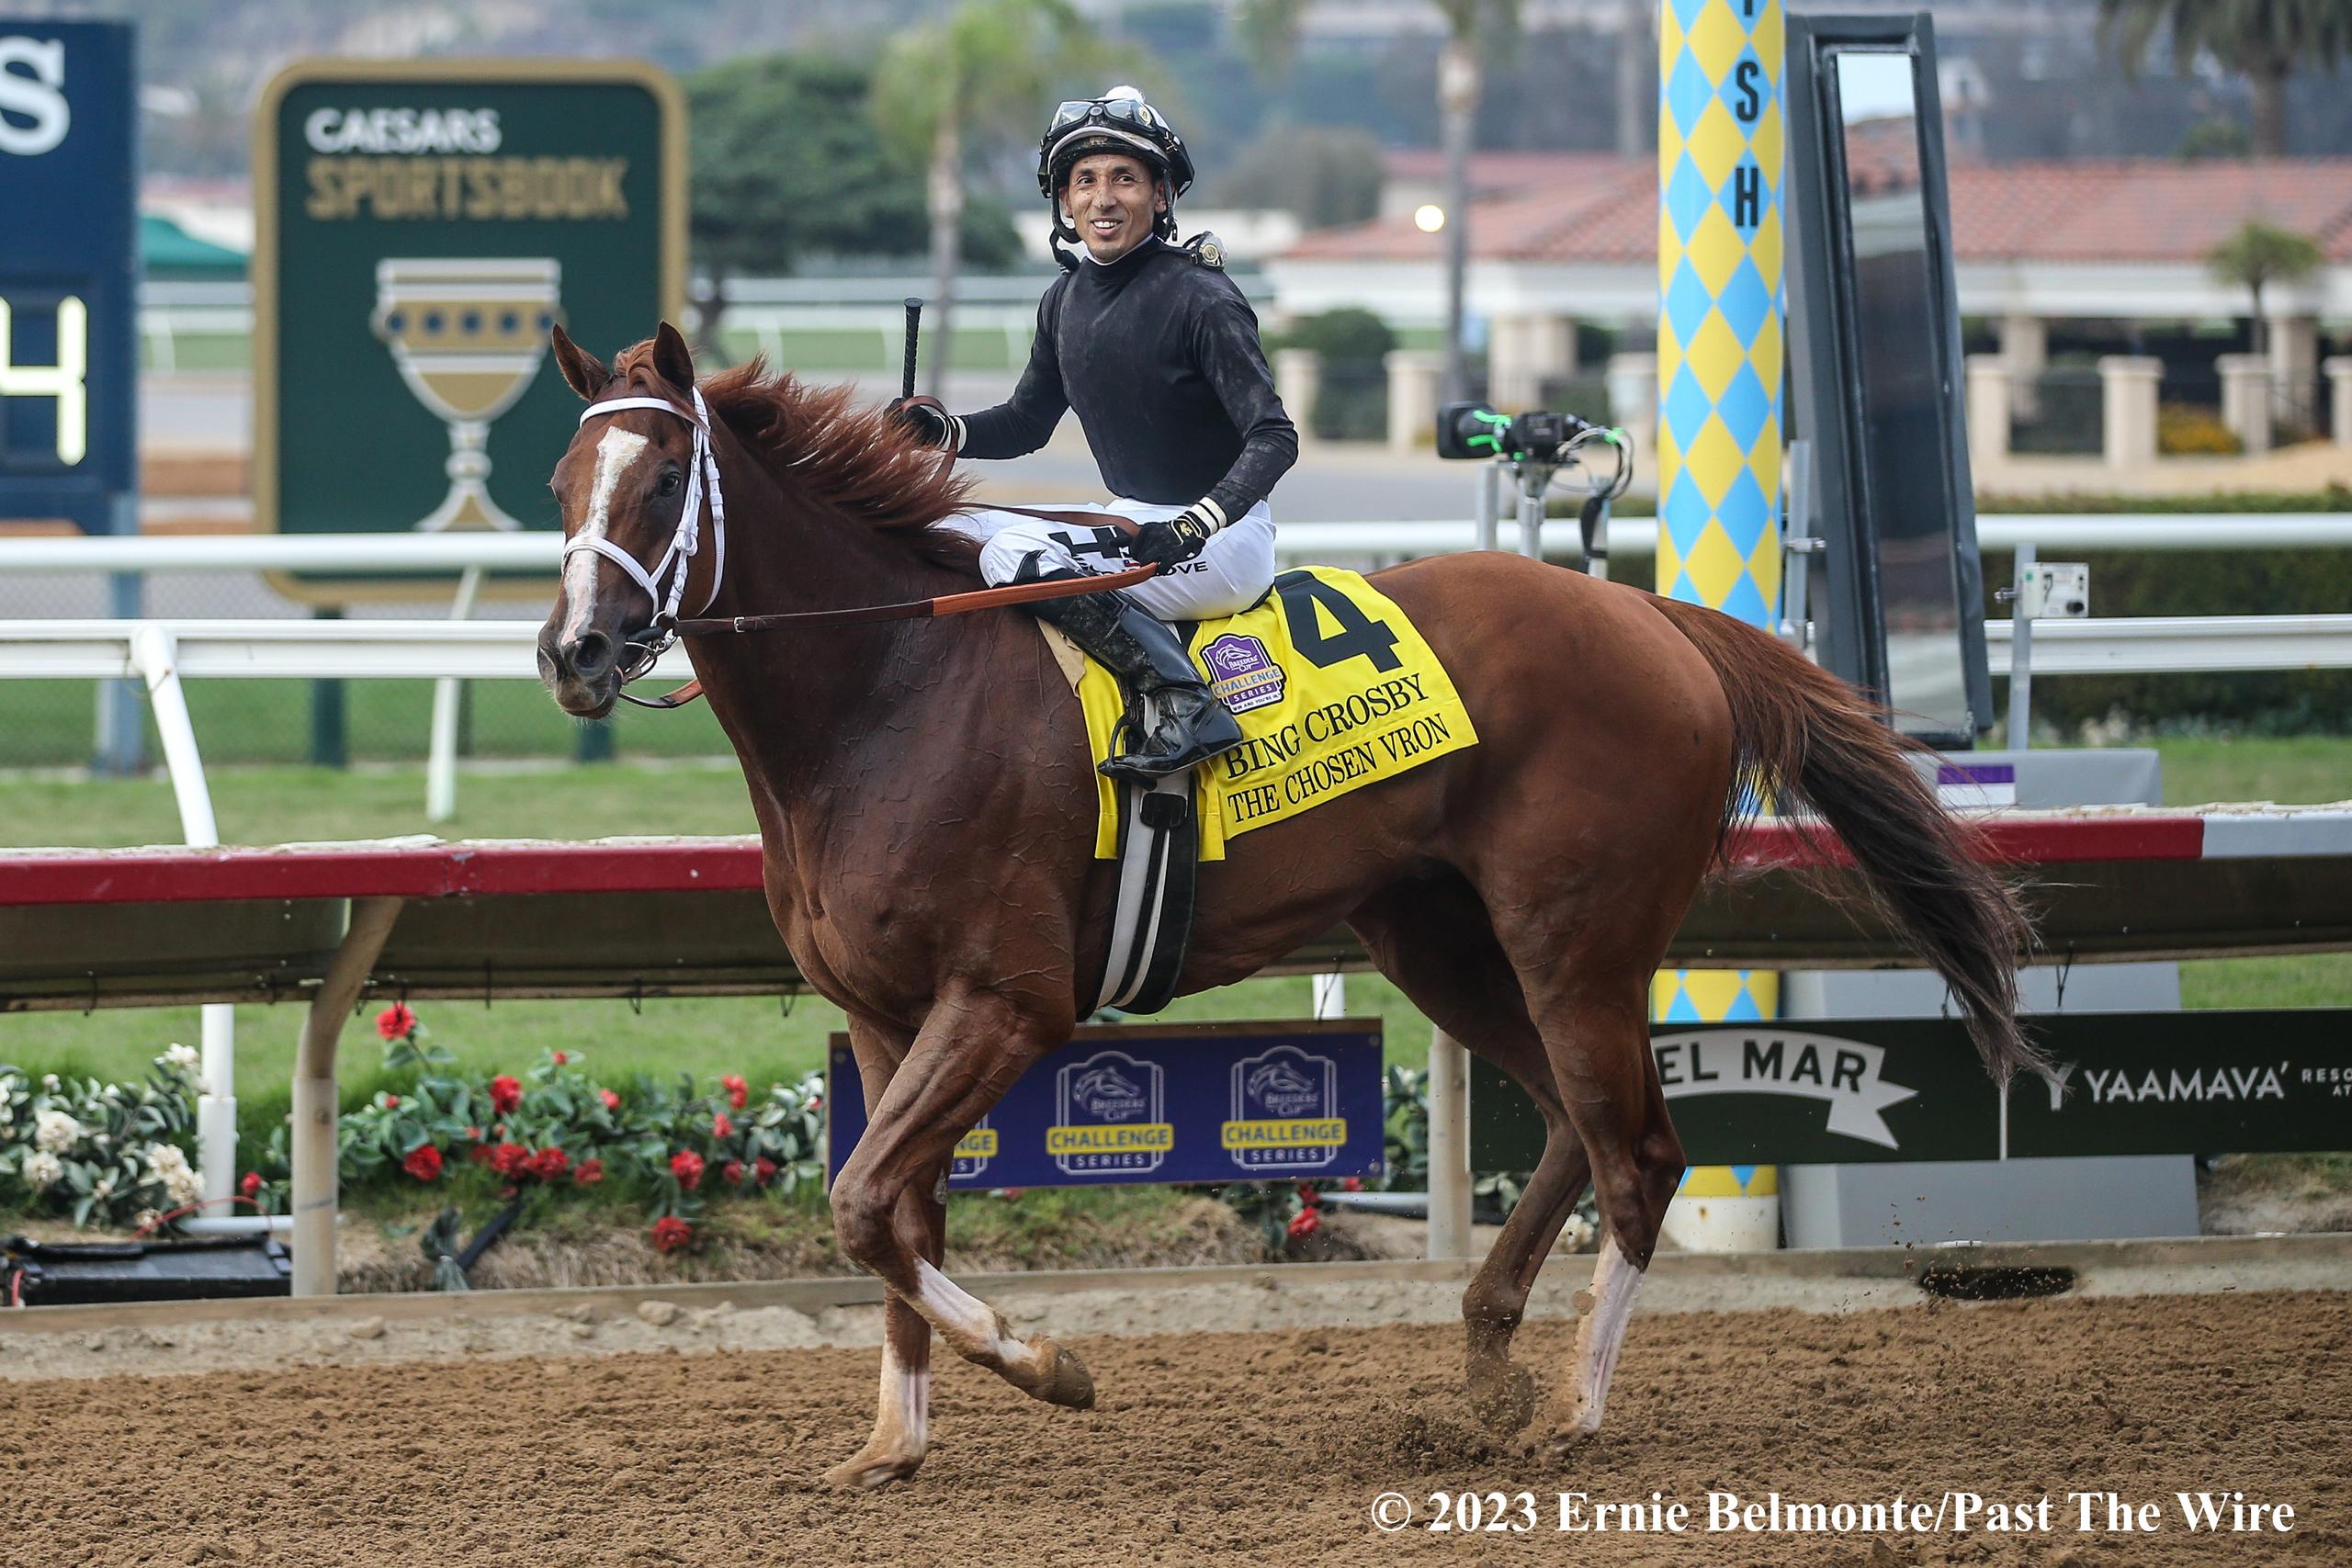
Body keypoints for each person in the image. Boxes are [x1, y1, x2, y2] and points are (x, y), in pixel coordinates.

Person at [889, 86, 1297, 784]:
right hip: (1133, 522)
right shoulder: (1063, 300)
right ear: (1065, 201)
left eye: (1124, 179)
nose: (1103, 199)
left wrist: (1197, 523)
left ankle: (1185, 702)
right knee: (955, 528)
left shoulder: (1203, 297)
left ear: (1161, 196)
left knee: (1010, 552)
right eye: (1085, 181)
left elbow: (1274, 436)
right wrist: (942, 431)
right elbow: (1026, 423)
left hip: (1223, 544)